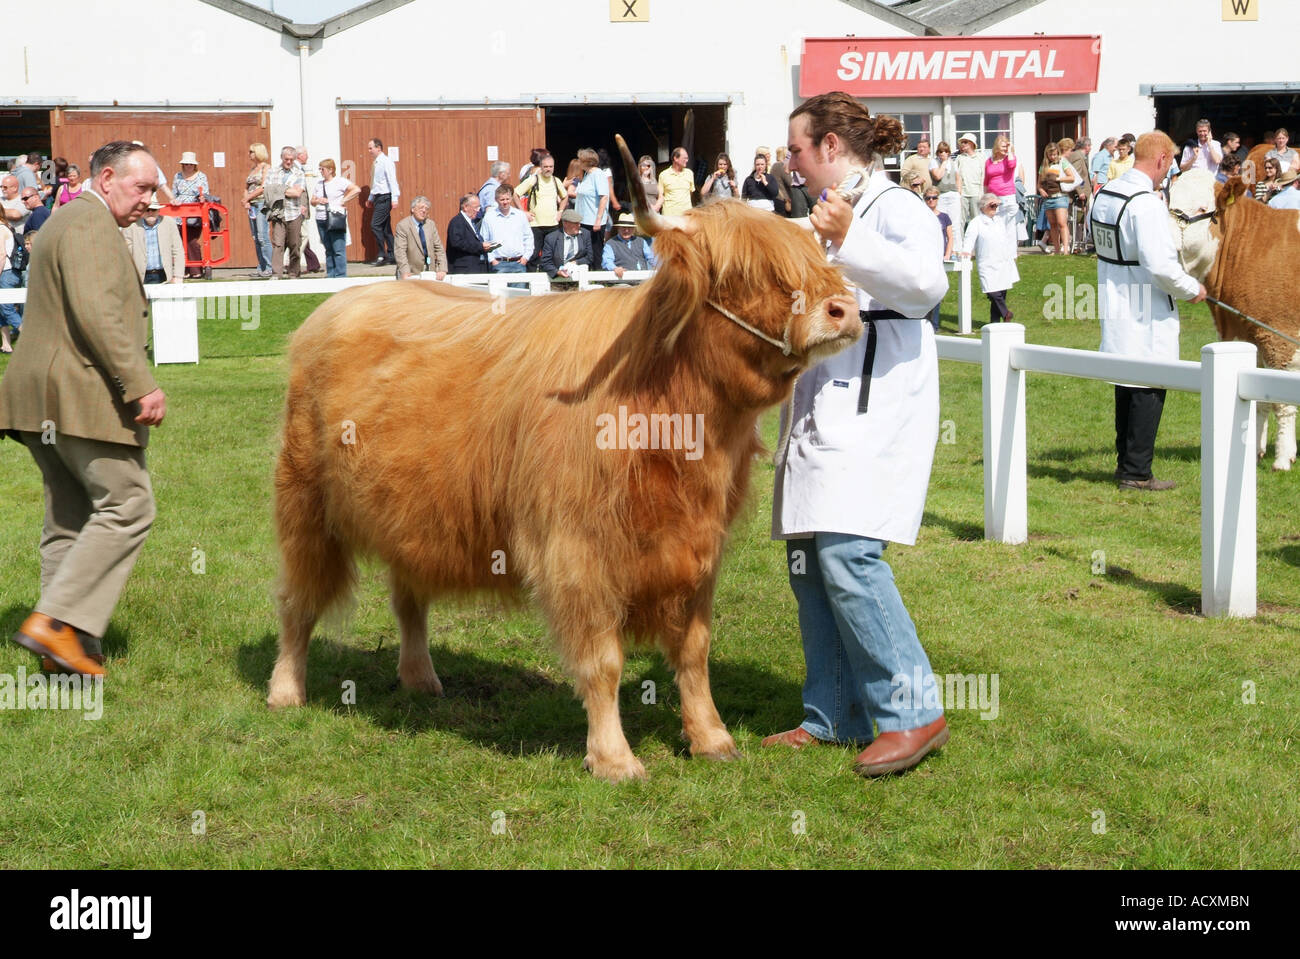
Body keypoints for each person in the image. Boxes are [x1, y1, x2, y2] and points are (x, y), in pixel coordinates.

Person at [765, 90, 949, 779]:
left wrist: (851, 238)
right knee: (808, 556)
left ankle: (913, 710)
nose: (790, 160)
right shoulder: (820, 218)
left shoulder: (896, 208)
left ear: (831, 149)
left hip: (876, 400)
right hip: (820, 397)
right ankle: (833, 712)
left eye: (797, 148)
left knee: (847, 552)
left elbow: (926, 287)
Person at [0, 140, 168, 676]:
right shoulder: (91, 224)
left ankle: (66, 653)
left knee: (70, 519)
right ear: (107, 178)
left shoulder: (66, 220)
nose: (149, 199)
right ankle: (57, 622)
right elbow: (98, 313)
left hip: (40, 397)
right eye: (141, 187)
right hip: (77, 393)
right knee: (129, 506)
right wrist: (140, 384)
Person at [1091, 130, 1206, 492]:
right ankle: (1137, 472)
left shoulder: (1106, 194)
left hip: (1116, 292)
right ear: (1161, 160)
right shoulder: (1146, 202)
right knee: (1149, 385)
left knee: (1126, 382)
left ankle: (1126, 463)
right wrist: (1192, 289)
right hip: (1145, 304)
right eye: (1169, 163)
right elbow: (1160, 266)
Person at [961, 193, 1018, 324]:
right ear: (983, 207)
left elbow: (1013, 208)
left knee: (1001, 292)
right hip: (987, 262)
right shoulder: (976, 222)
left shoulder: (1000, 220)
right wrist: (966, 252)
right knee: (992, 292)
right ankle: (1006, 313)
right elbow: (969, 239)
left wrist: (1000, 201)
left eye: (996, 206)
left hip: (1003, 261)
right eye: (992, 206)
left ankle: (995, 322)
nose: (995, 208)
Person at [514, 152, 568, 270]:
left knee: (553, 256)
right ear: (541, 167)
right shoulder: (533, 179)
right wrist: (523, 212)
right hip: (536, 225)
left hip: (552, 225)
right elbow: (515, 193)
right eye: (545, 167)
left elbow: (565, 197)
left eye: (550, 166)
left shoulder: (556, 181)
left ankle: (552, 283)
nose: (548, 169)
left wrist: (560, 211)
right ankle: (532, 283)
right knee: (533, 256)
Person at [310, 158, 361, 279]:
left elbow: (356, 189)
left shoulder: (340, 181)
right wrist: (318, 200)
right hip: (321, 218)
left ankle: (340, 275)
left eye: (323, 169)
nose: (321, 171)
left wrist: (343, 200)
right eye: (320, 169)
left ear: (331, 170)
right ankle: (330, 274)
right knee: (328, 248)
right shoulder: (319, 184)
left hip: (335, 217)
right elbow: (312, 201)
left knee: (338, 248)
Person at [264, 146, 306, 279]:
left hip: (294, 212)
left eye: (291, 159)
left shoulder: (298, 173)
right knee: (278, 244)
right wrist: (288, 190)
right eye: (286, 159)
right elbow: (268, 191)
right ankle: (276, 273)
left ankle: (294, 273)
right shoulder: (273, 172)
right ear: (282, 158)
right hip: (278, 213)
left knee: (295, 245)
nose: (289, 162)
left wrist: (279, 190)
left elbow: (298, 192)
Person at [123, 194, 184, 284]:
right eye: (147, 210)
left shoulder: (169, 223)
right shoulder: (131, 225)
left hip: (165, 276)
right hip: (139, 278)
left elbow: (178, 250)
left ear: (159, 210)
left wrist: (178, 276)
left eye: (154, 209)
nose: (150, 213)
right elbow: (125, 254)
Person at [479, 183, 533, 275]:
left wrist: (526, 257)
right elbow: (484, 240)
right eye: (502, 199)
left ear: (511, 198)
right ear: (496, 200)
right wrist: (492, 260)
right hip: (499, 264)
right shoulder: (489, 217)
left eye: (507, 199)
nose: (505, 202)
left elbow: (528, 238)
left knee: (520, 290)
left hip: (519, 263)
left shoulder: (520, 216)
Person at [172, 151, 209, 279]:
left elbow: (205, 193)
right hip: (178, 211)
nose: (188, 166)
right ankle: (185, 269)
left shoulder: (201, 176)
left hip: (194, 212)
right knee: (180, 241)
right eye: (186, 163)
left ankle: (196, 269)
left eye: (190, 164)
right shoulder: (177, 176)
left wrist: (202, 198)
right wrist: (174, 201)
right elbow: (174, 193)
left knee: (191, 240)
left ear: (194, 165)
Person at [392, 194, 448, 280]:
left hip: (429, 272)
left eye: (426, 209)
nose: (424, 211)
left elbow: (439, 249)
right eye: (421, 208)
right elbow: (400, 251)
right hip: (410, 273)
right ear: (412, 209)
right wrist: (405, 271)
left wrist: (442, 269)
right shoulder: (403, 226)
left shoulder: (430, 224)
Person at [365, 137, 400, 266]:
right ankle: (393, 255)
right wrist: (370, 198)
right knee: (385, 229)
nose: (369, 151)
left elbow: (392, 180)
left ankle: (382, 254)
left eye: (371, 148)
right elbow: (376, 183)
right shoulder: (376, 163)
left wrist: (394, 198)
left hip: (385, 197)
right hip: (378, 197)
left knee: (375, 225)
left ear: (378, 148)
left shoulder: (386, 162)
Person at [572, 148, 609, 268]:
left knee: (596, 251)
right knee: (585, 251)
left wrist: (598, 220)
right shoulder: (587, 175)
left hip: (593, 222)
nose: (578, 162)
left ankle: (599, 278)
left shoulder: (598, 175)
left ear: (586, 161)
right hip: (583, 220)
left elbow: (604, 197)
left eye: (580, 159)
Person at [1038, 142, 1076, 255]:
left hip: (1060, 196)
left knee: (1061, 223)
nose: (1053, 157)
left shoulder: (1062, 162)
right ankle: (1057, 249)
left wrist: (1059, 179)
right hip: (1048, 198)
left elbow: (1071, 177)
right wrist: (1041, 190)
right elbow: (1039, 183)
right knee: (1052, 224)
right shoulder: (1044, 165)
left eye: (1055, 154)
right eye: (1051, 155)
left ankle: (1065, 249)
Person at [243, 142, 273, 277]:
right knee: (255, 237)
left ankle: (269, 266)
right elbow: (246, 186)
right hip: (252, 205)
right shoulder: (252, 169)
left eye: (252, 151)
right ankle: (261, 266)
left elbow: (263, 187)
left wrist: (248, 197)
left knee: (263, 236)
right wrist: (246, 200)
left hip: (261, 204)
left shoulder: (266, 168)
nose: (249, 154)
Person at [985, 135, 1019, 251]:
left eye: (1007, 146)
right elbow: (986, 179)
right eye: (1003, 146)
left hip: (1006, 195)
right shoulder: (989, 161)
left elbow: (1012, 165)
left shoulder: (1010, 158)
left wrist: (1010, 151)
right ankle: (998, 249)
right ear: (997, 147)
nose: (1005, 148)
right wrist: (985, 196)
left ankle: (1011, 252)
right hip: (993, 196)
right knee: (995, 222)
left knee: (1008, 224)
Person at [293, 146, 322, 274]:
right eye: (306, 154)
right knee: (302, 236)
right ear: (299, 155)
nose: (308, 157)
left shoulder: (300, 168)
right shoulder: (296, 169)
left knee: (301, 236)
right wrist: (302, 206)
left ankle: (313, 264)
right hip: (299, 208)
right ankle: (294, 263)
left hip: (302, 207)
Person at [539, 209, 592, 279]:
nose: (579, 225)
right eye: (576, 223)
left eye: (579, 223)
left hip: (579, 276)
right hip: (556, 278)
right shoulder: (551, 238)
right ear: (565, 223)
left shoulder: (585, 234)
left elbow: (589, 257)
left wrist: (575, 262)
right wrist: (557, 272)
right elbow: (545, 262)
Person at [600, 211, 656, 277]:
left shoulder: (641, 241)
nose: (626, 230)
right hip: (622, 281)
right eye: (624, 227)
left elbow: (651, 258)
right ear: (618, 228)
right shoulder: (610, 244)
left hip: (642, 280)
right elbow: (607, 261)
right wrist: (615, 268)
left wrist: (659, 266)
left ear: (634, 229)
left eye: (629, 228)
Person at [446, 194, 490, 274]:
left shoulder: (472, 222)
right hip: (464, 270)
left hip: (478, 268)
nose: (478, 210)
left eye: (479, 207)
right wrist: (480, 246)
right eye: (475, 207)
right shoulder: (457, 221)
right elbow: (457, 243)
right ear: (465, 207)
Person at [929, 140, 962, 234]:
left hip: (953, 195)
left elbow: (958, 178)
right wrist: (943, 163)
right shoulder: (934, 162)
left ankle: (956, 247)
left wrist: (959, 192)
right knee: (940, 222)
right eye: (941, 151)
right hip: (941, 195)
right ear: (937, 152)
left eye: (946, 151)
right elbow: (938, 176)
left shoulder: (953, 163)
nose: (943, 153)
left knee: (955, 224)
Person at [953, 134, 985, 226]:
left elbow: (984, 175)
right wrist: (958, 192)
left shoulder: (980, 157)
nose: (963, 144)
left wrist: (981, 193)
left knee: (976, 220)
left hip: (976, 193)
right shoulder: (959, 158)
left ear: (972, 144)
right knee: (960, 221)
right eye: (962, 142)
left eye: (965, 142)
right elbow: (956, 176)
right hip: (962, 193)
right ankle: (960, 240)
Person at [658, 147, 695, 216]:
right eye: (685, 158)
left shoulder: (689, 173)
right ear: (676, 158)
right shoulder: (663, 175)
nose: (687, 160)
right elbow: (661, 196)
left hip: (686, 217)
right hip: (669, 217)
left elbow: (690, 193)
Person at [475, 160, 511, 224]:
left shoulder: (492, 186)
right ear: (501, 174)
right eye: (507, 173)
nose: (509, 175)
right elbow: (490, 211)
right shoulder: (492, 189)